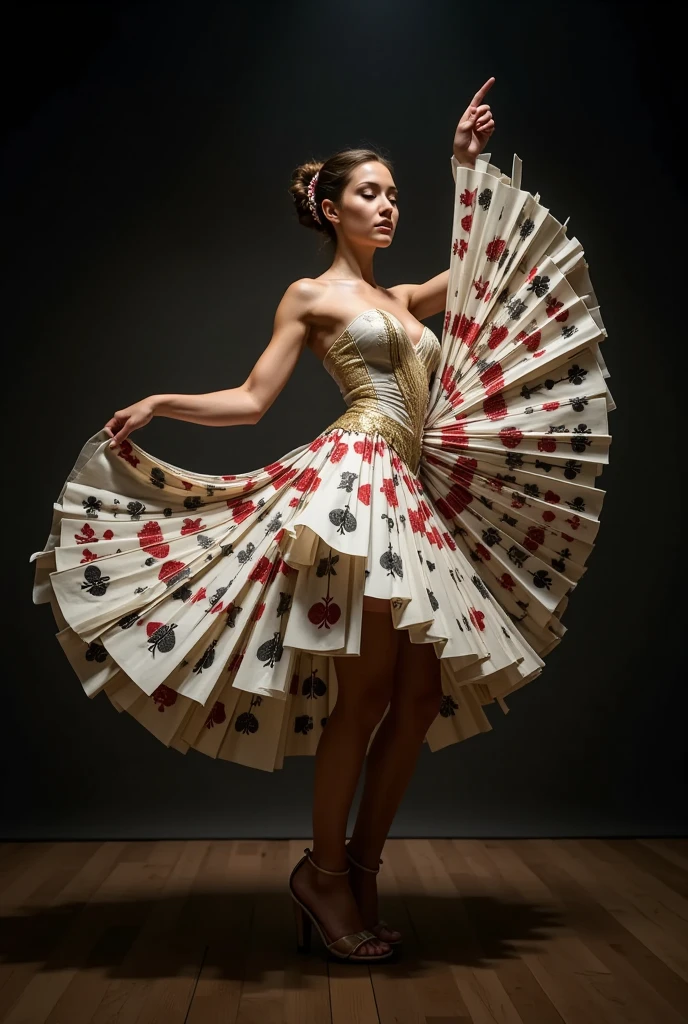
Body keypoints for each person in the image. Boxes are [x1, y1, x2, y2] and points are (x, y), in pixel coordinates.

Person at [30, 73, 611, 963]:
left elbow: (492, 260)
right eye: (370, 193)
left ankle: (359, 871)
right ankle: (327, 878)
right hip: (358, 481)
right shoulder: (311, 295)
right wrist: (162, 401)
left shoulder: (407, 300)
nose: (387, 207)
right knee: (367, 695)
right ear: (331, 207)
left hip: (414, 497)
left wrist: (468, 167)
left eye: (393, 195)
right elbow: (253, 399)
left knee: (418, 700)